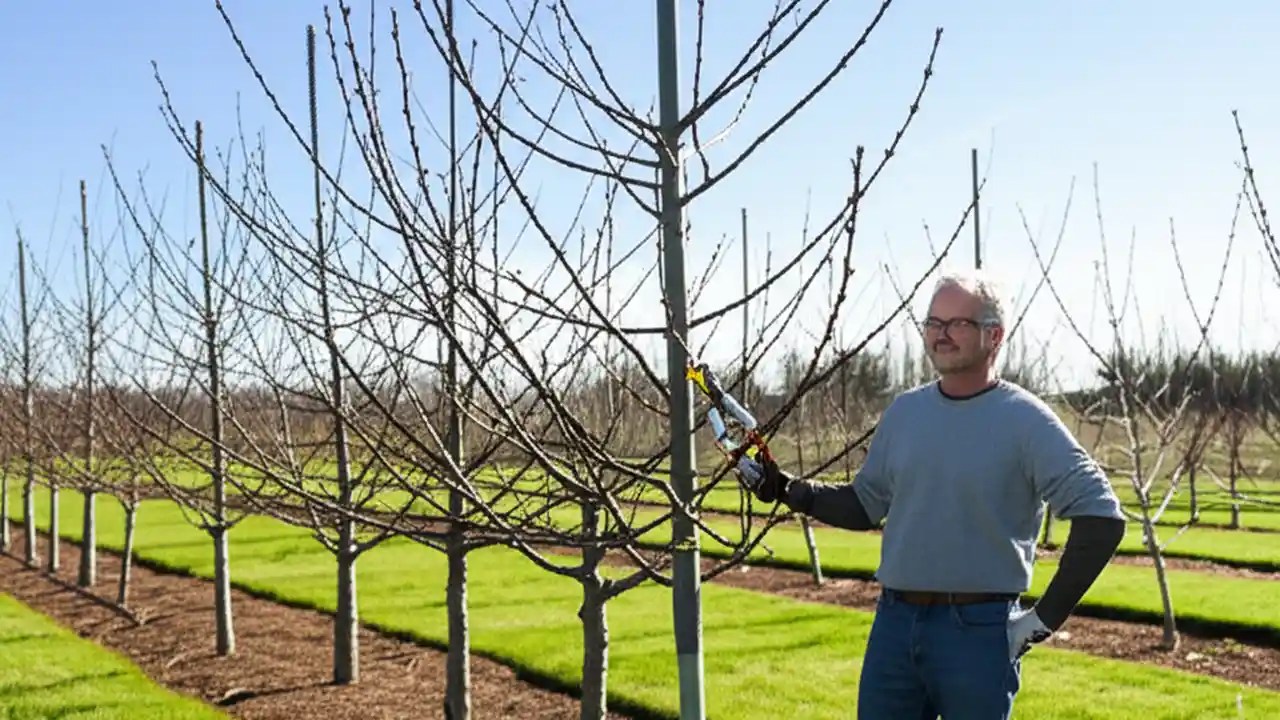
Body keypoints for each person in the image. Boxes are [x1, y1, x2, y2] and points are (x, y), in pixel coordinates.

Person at [736, 270, 1127, 720]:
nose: (941, 335)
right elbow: (865, 504)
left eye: (957, 324)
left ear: (994, 335)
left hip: (978, 635)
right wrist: (786, 488)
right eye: (933, 323)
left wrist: (1041, 621)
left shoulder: (1027, 422)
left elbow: (1102, 518)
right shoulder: (905, 412)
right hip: (894, 626)